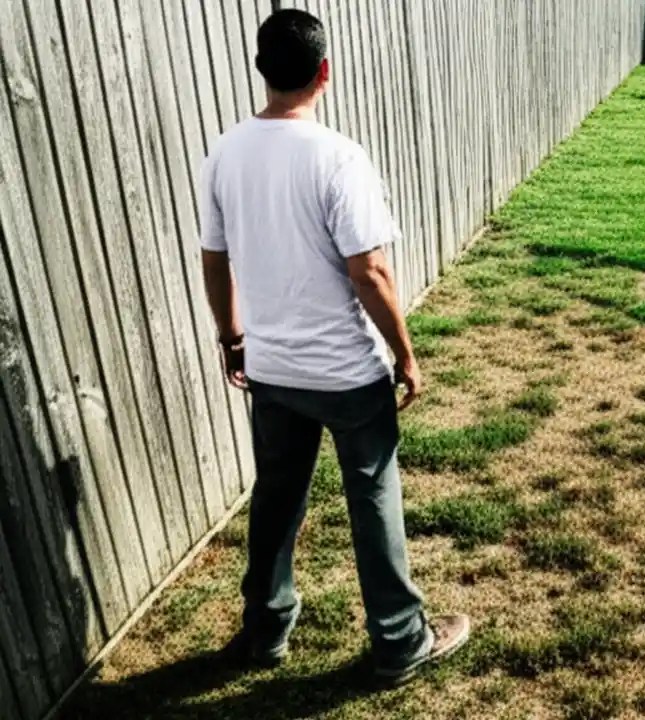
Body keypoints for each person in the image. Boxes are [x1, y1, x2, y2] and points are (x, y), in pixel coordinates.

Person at [198, 8, 468, 684]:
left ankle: (264, 632)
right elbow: (370, 270)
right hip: (346, 375)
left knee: (277, 497)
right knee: (373, 494)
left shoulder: (225, 152)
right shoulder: (338, 156)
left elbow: (214, 255)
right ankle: (401, 641)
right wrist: (406, 355)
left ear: (262, 71)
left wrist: (232, 336)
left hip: (273, 370)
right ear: (324, 72)